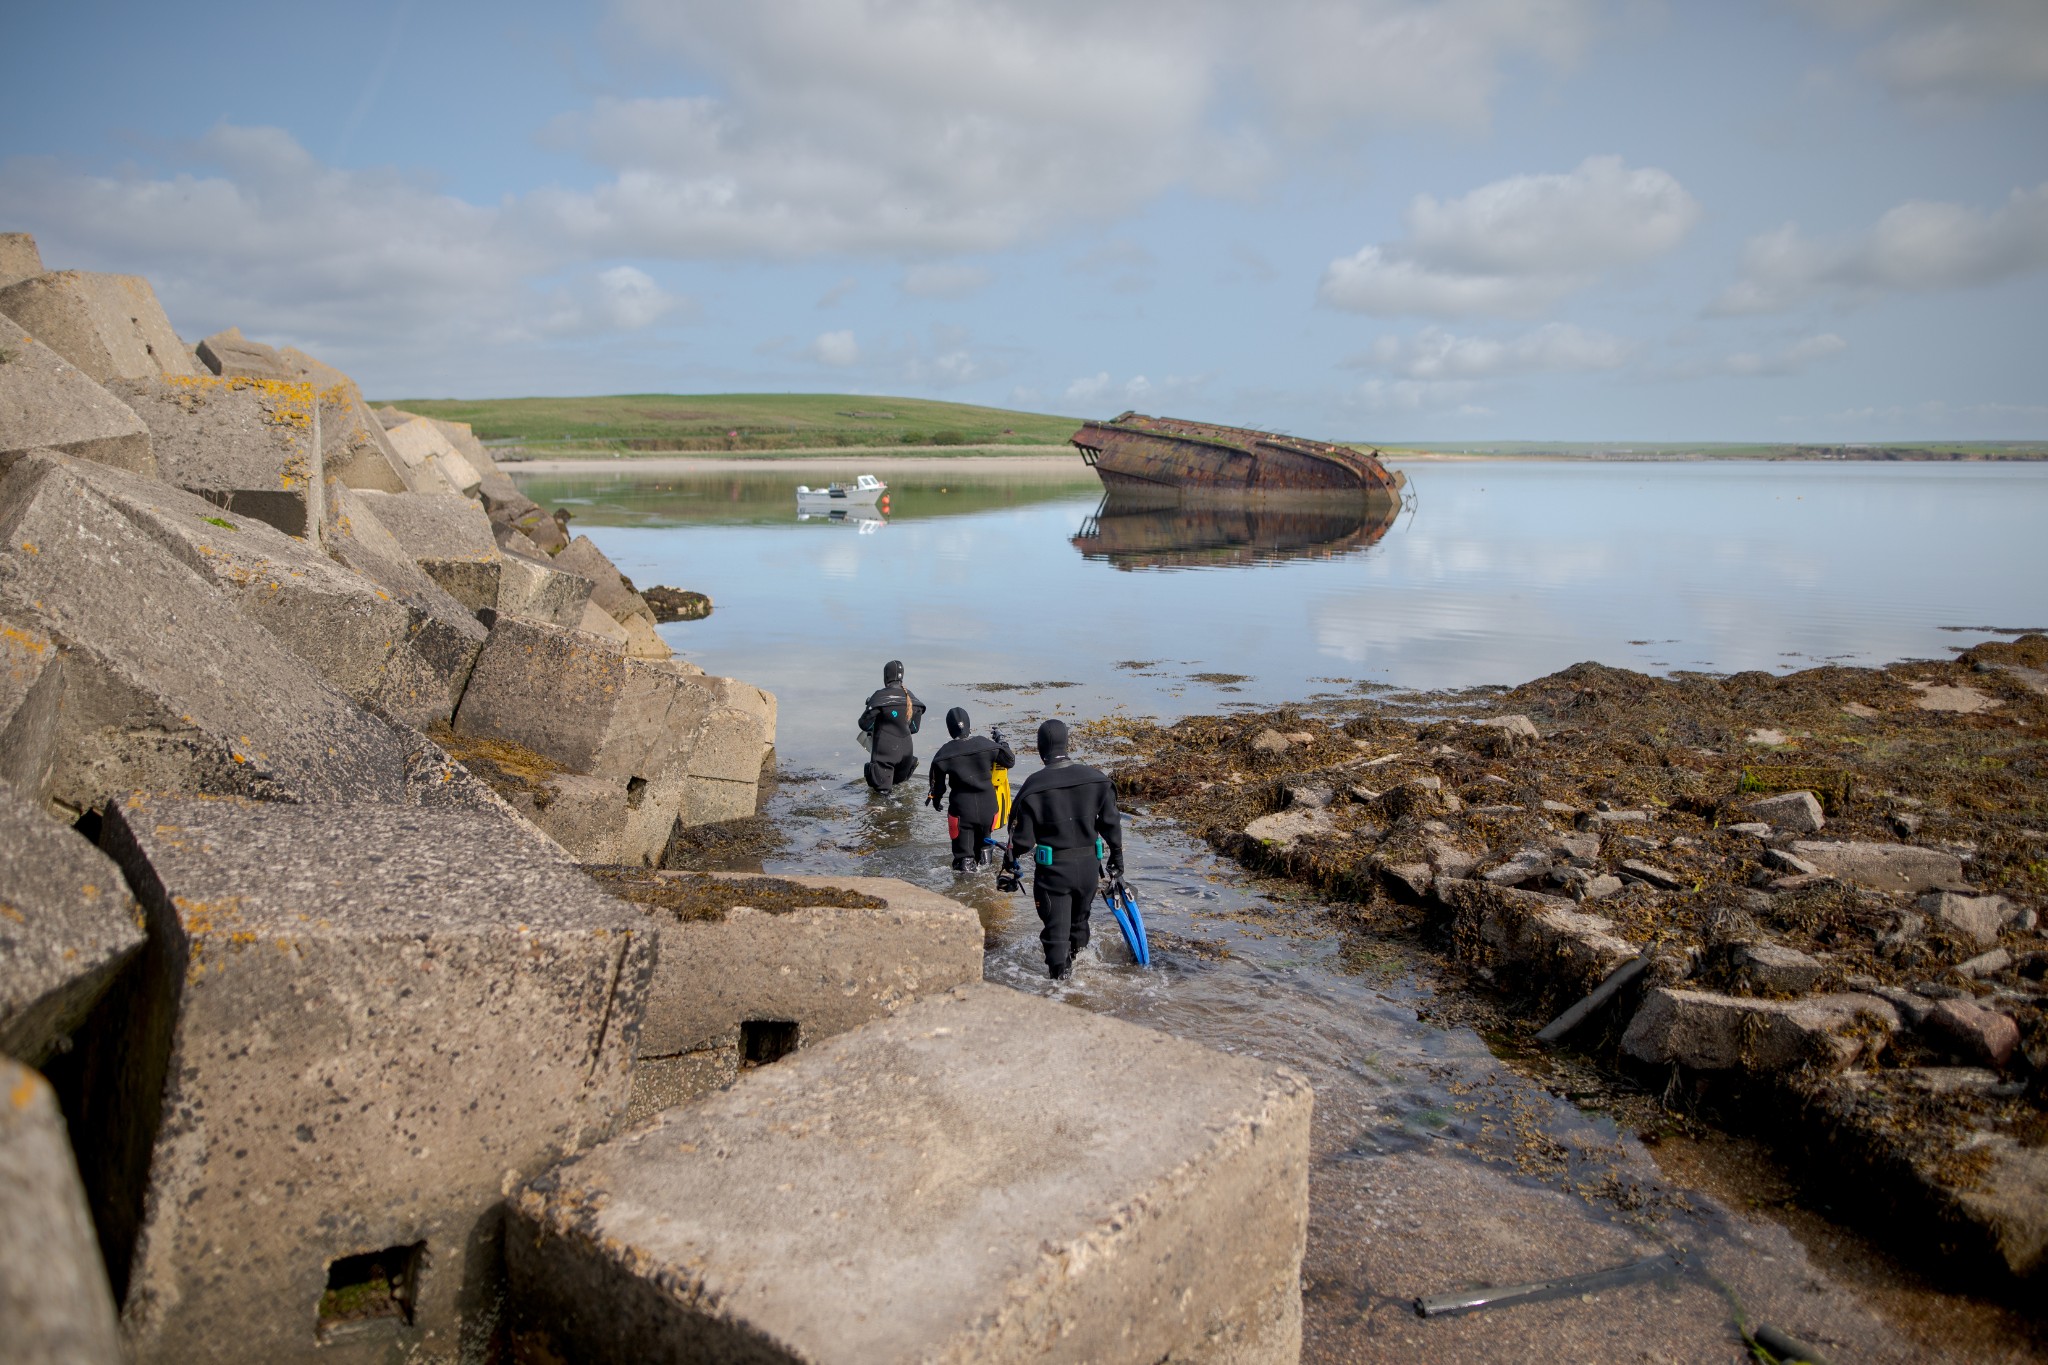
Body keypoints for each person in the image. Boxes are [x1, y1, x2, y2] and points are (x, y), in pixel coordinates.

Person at [1001, 719, 1123, 980]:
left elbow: (1022, 840)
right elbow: (1112, 825)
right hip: (1090, 869)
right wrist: (1117, 860)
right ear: (1067, 744)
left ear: (1040, 747)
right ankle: (1082, 981)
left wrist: (1008, 865)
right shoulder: (1097, 780)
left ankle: (1060, 993)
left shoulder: (1033, 788)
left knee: (1056, 934)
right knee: (1079, 924)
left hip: (1054, 873)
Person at [926, 709, 1015, 871]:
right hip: (989, 809)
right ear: (968, 725)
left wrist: (936, 802)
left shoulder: (943, 754)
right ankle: (987, 885)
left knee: (964, 857)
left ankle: (965, 892)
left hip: (962, 812)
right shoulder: (986, 745)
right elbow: (1009, 760)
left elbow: (937, 787)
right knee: (985, 847)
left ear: (949, 728)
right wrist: (1001, 741)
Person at [857, 660, 926, 791]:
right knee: (899, 792)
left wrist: (877, 722)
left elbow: (864, 724)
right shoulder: (912, 698)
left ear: (886, 676)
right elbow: (914, 729)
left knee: (882, 799)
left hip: (885, 755)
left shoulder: (879, 696)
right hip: (906, 756)